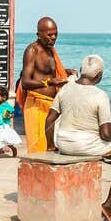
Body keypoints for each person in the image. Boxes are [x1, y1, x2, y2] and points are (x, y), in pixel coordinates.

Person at [46, 55, 111, 221]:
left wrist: (51, 145)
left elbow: (49, 120)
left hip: (63, 143)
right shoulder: (100, 95)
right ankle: (108, 206)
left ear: (81, 71)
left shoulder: (65, 89)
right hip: (87, 145)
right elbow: (106, 134)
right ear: (99, 75)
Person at [19, 17, 70, 153]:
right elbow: (25, 82)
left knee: (52, 149)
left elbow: (47, 72)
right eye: (49, 34)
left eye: (55, 34)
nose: (53, 38)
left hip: (51, 106)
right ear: (39, 35)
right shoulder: (32, 50)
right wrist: (49, 82)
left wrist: (67, 72)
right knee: (38, 149)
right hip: (36, 105)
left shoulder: (50, 50)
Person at [0, 86, 21, 158]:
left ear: (4, 97)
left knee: (5, 140)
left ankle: (13, 148)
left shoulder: (7, 106)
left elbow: (12, 114)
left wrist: (8, 115)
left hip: (4, 126)